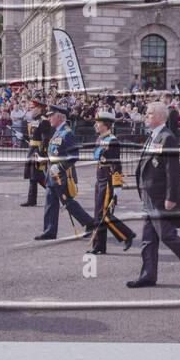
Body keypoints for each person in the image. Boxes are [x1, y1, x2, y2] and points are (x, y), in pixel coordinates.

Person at [128, 102, 180, 288]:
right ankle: (148, 275)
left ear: (161, 116)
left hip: (160, 195)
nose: (146, 116)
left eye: (150, 114)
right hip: (148, 194)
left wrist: (171, 197)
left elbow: (173, 171)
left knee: (167, 235)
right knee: (148, 238)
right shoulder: (154, 136)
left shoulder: (167, 137)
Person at [34, 105, 94, 241]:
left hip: (62, 176)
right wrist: (44, 159)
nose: (48, 118)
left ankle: (91, 223)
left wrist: (59, 167)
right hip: (52, 174)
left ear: (59, 116)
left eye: (51, 115)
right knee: (50, 202)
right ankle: (49, 230)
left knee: (68, 203)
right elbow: (55, 153)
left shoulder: (67, 133)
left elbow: (73, 156)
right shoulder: (56, 132)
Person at [87, 110, 135, 255]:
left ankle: (127, 234)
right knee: (98, 214)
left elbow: (116, 164)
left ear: (105, 124)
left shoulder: (112, 140)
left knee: (104, 214)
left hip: (108, 179)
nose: (95, 125)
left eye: (98, 122)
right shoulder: (100, 138)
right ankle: (99, 246)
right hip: (99, 178)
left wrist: (117, 185)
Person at [20, 97, 51, 207]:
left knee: (39, 176)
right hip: (32, 150)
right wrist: (24, 137)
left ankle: (56, 194)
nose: (31, 109)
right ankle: (31, 200)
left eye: (33, 108)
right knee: (33, 177)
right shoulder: (34, 120)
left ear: (39, 108)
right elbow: (33, 137)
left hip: (38, 152)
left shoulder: (44, 120)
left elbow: (45, 139)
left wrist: (41, 153)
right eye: (31, 107)